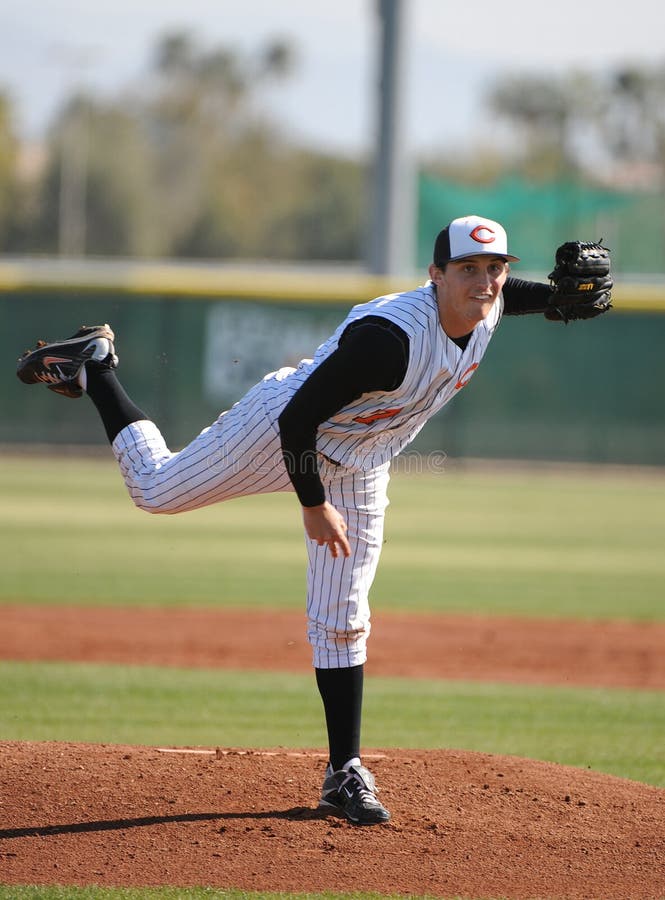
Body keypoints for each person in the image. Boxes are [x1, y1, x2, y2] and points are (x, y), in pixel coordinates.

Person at [16, 215, 609, 825]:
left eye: (494, 269)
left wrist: (562, 302)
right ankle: (96, 366)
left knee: (343, 617)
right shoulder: (389, 340)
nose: (484, 283)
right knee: (155, 489)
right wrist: (312, 503)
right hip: (284, 432)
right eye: (466, 270)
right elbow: (296, 420)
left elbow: (510, 299)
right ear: (435, 276)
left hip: (361, 460)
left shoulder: (486, 304)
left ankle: (343, 773)